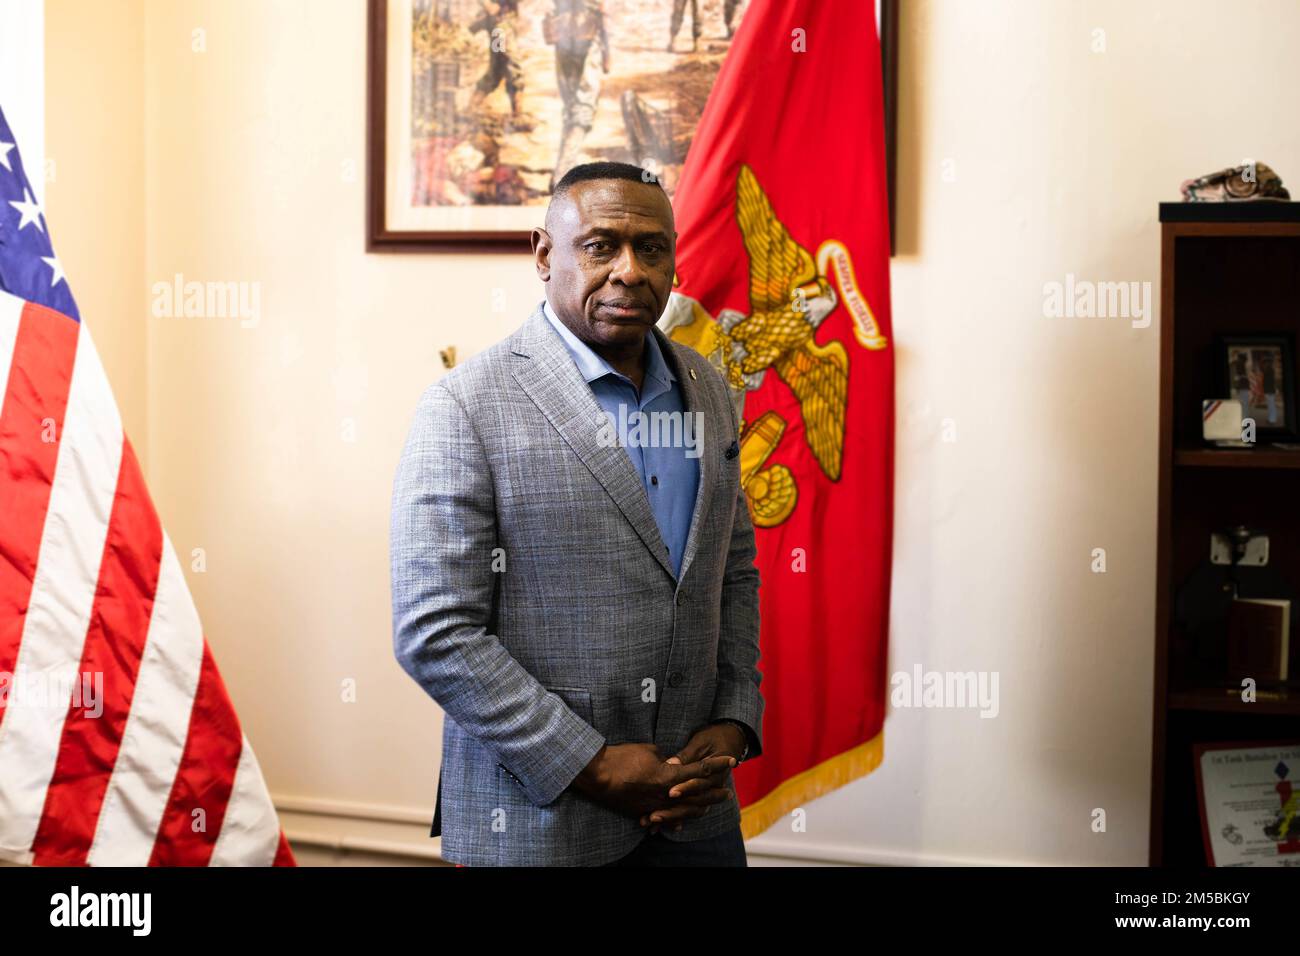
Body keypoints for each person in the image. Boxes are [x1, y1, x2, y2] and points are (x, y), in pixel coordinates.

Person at [390, 161, 763, 866]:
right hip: (540, 824)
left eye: (651, 248)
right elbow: (433, 630)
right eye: (600, 246)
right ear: (543, 255)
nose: (629, 270)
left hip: (697, 817)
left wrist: (736, 716)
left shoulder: (709, 389)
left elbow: (733, 571)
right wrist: (591, 763)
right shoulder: (466, 406)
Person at [546, 0, 610, 191]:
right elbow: (602, 10)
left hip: (564, 36)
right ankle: (562, 173)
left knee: (573, 108)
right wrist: (607, 48)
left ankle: (561, 169)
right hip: (585, 36)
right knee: (582, 109)